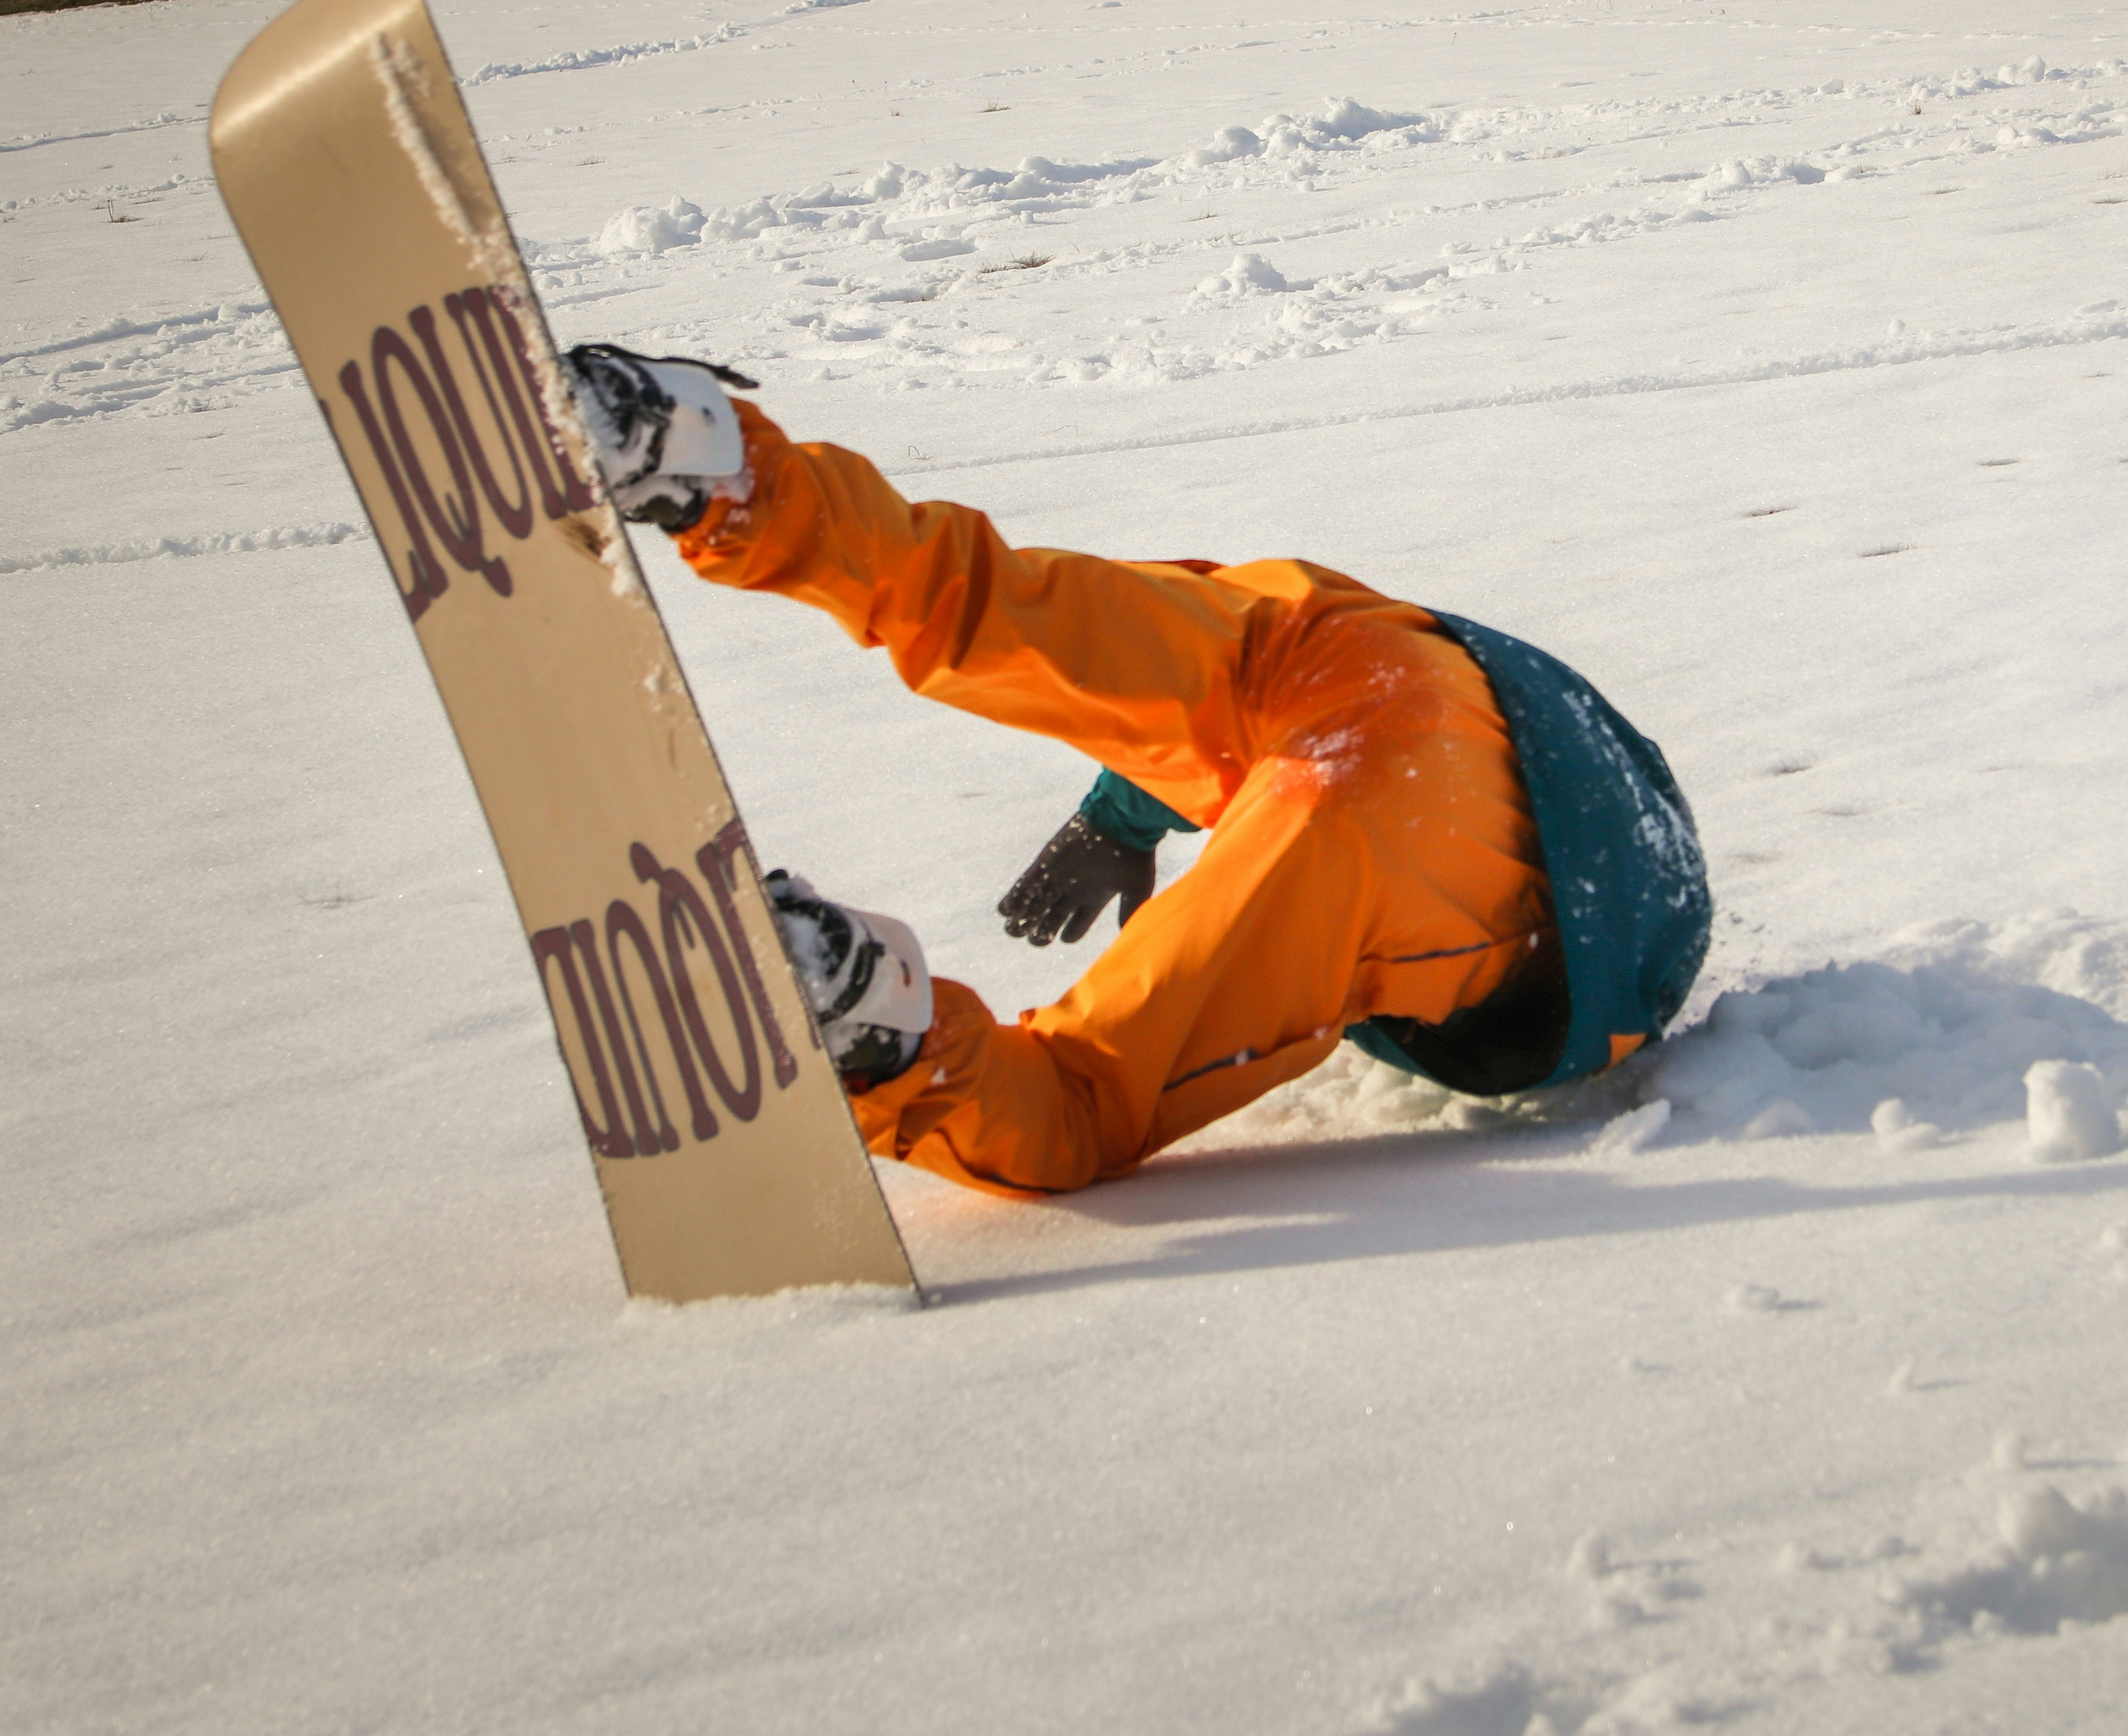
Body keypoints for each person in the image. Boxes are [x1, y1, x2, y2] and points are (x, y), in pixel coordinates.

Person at [563, 345, 1712, 1198]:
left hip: (1369, 650)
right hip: (1408, 814)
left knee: (977, 594)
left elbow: (1294, 738)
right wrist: (1132, 803)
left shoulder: (1347, 809)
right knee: (1090, 1086)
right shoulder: (1353, 853)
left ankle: (707, 460)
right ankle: (876, 1021)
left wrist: (1133, 795)